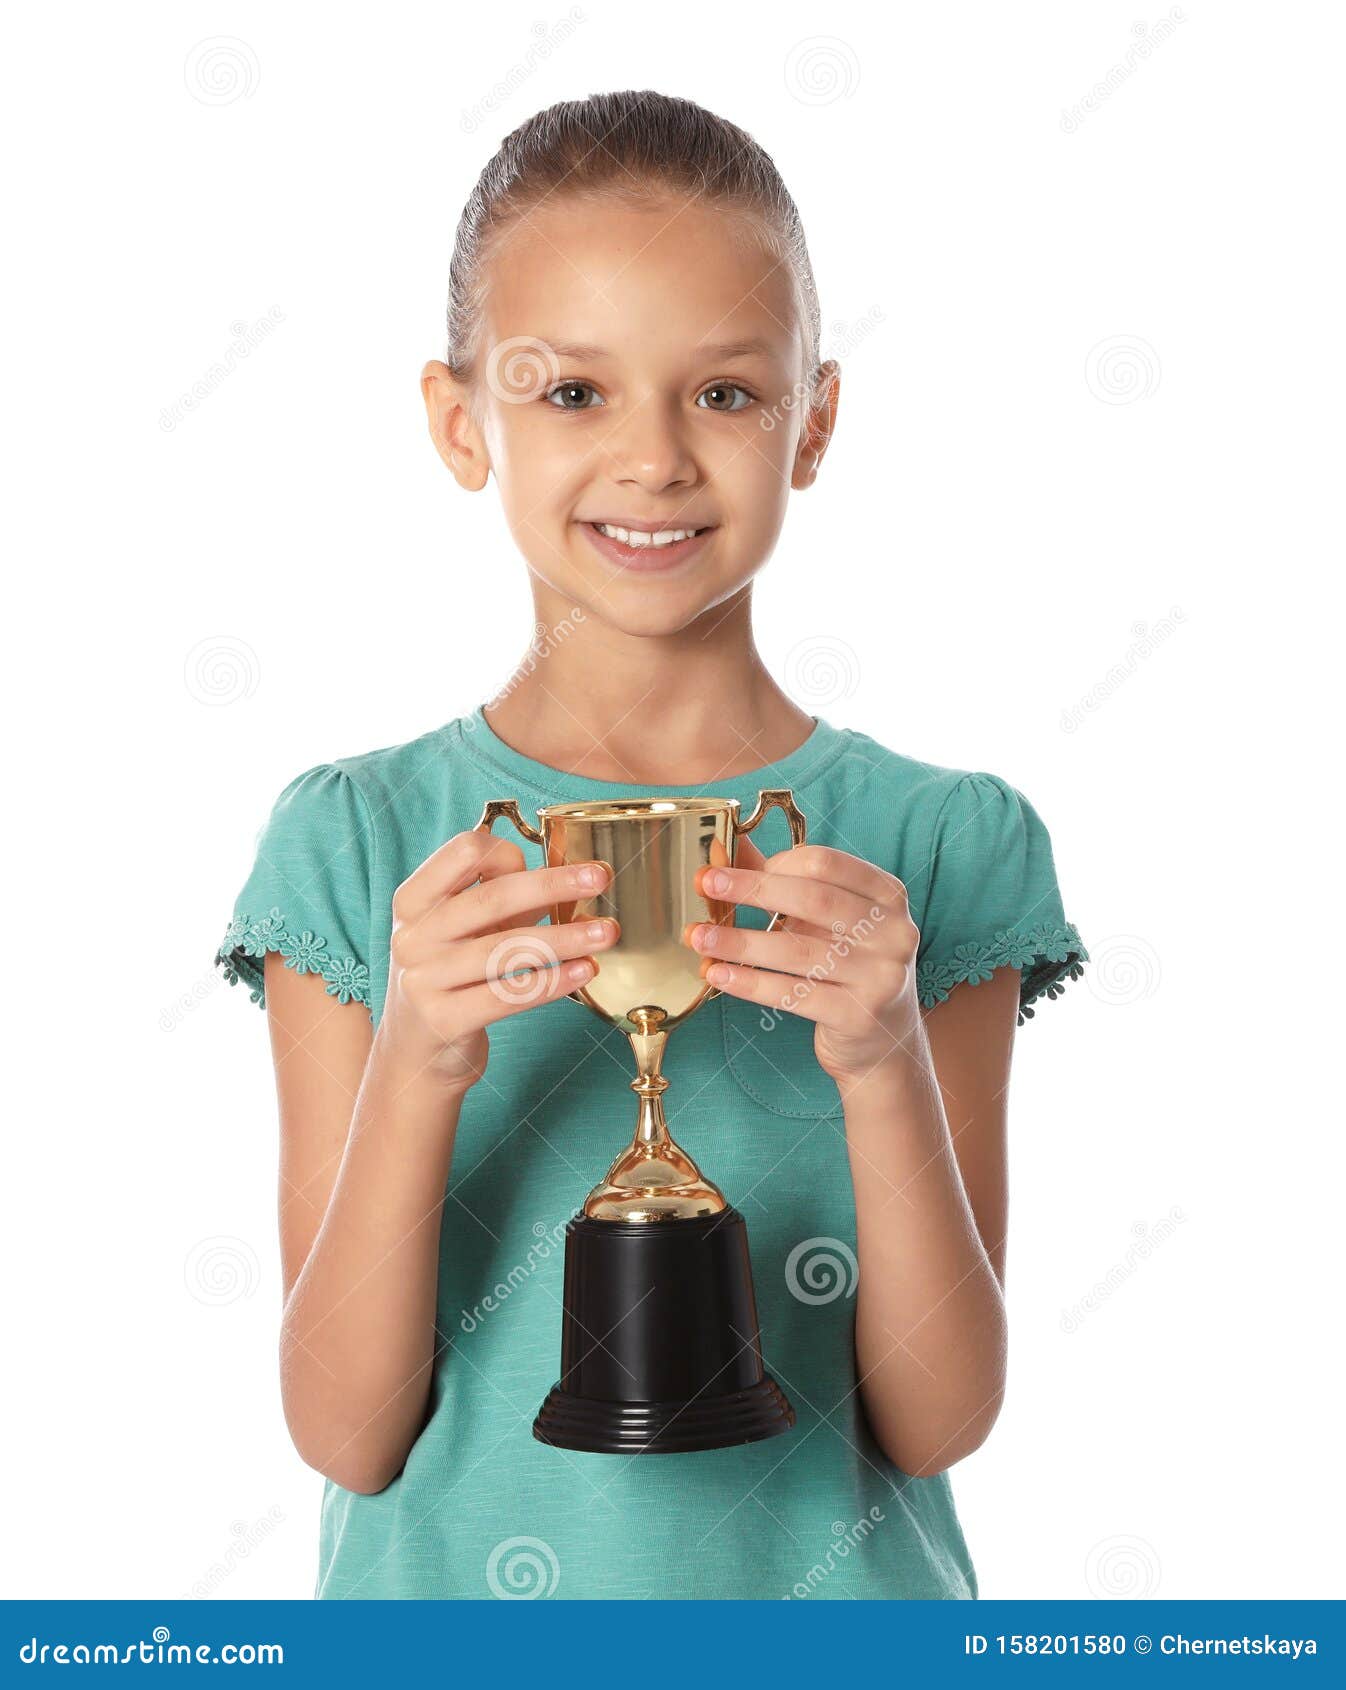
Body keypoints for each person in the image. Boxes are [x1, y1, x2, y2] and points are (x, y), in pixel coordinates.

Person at [216, 89, 1086, 1601]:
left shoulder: (940, 845)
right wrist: (420, 1054)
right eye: (572, 392)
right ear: (460, 422)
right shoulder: (356, 842)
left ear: (813, 421)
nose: (655, 458)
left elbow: (937, 1420)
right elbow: (345, 1434)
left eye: (725, 392)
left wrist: (882, 1061)